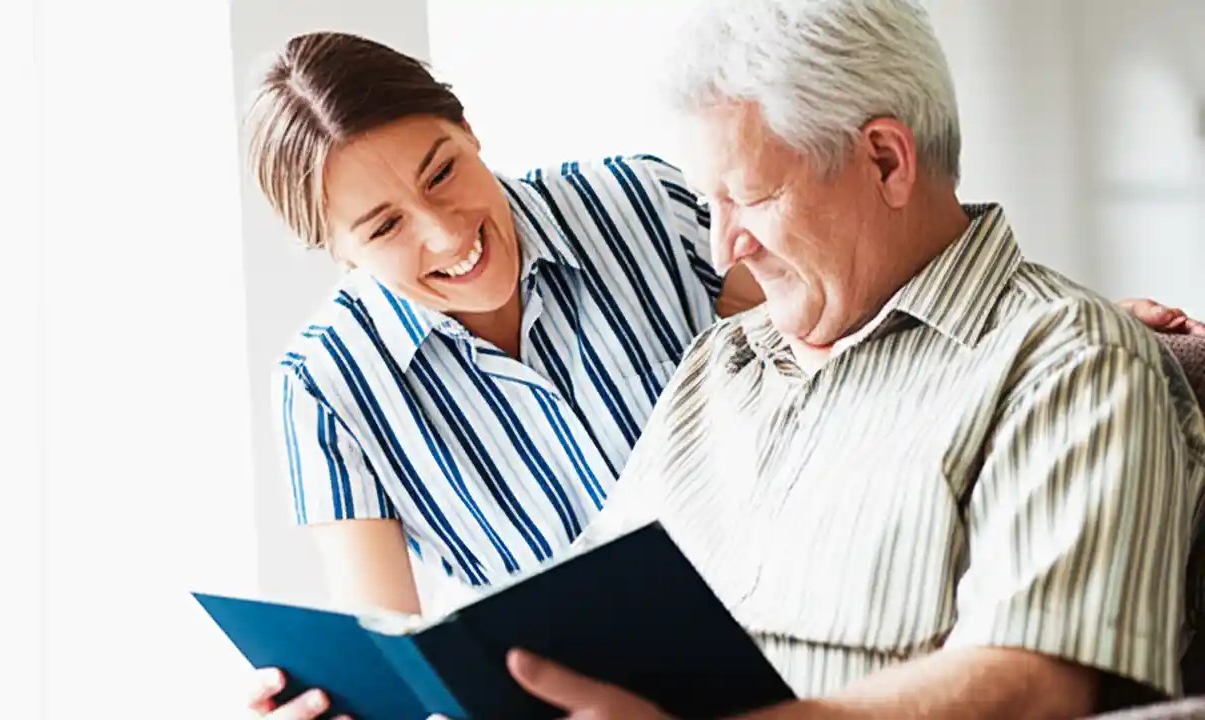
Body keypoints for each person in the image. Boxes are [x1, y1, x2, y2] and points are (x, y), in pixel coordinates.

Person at [241, 25, 1202, 720]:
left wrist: (1063, 329)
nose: (721, 245)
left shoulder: (1056, 362)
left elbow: (1036, 678)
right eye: (382, 227)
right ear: (338, 254)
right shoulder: (730, 363)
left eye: (746, 197)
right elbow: (497, 627)